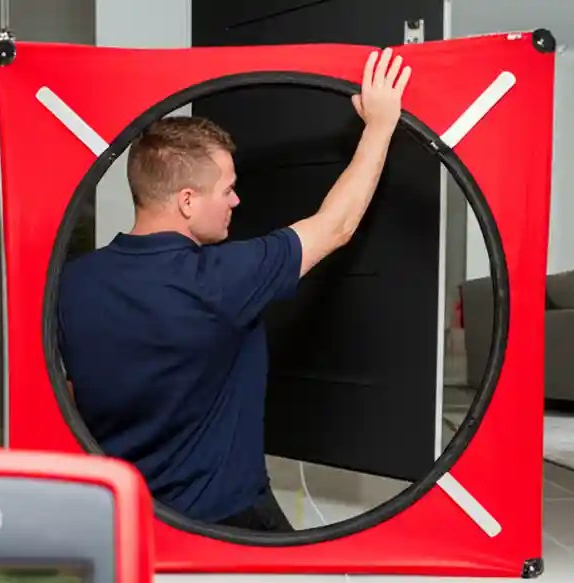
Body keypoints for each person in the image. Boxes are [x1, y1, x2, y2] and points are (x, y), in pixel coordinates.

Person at [57, 49, 412, 532]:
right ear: (186, 201)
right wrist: (380, 126)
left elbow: (72, 394)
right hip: (226, 518)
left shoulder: (75, 282)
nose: (236, 201)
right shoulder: (221, 278)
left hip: (126, 518)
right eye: (227, 189)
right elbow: (336, 225)